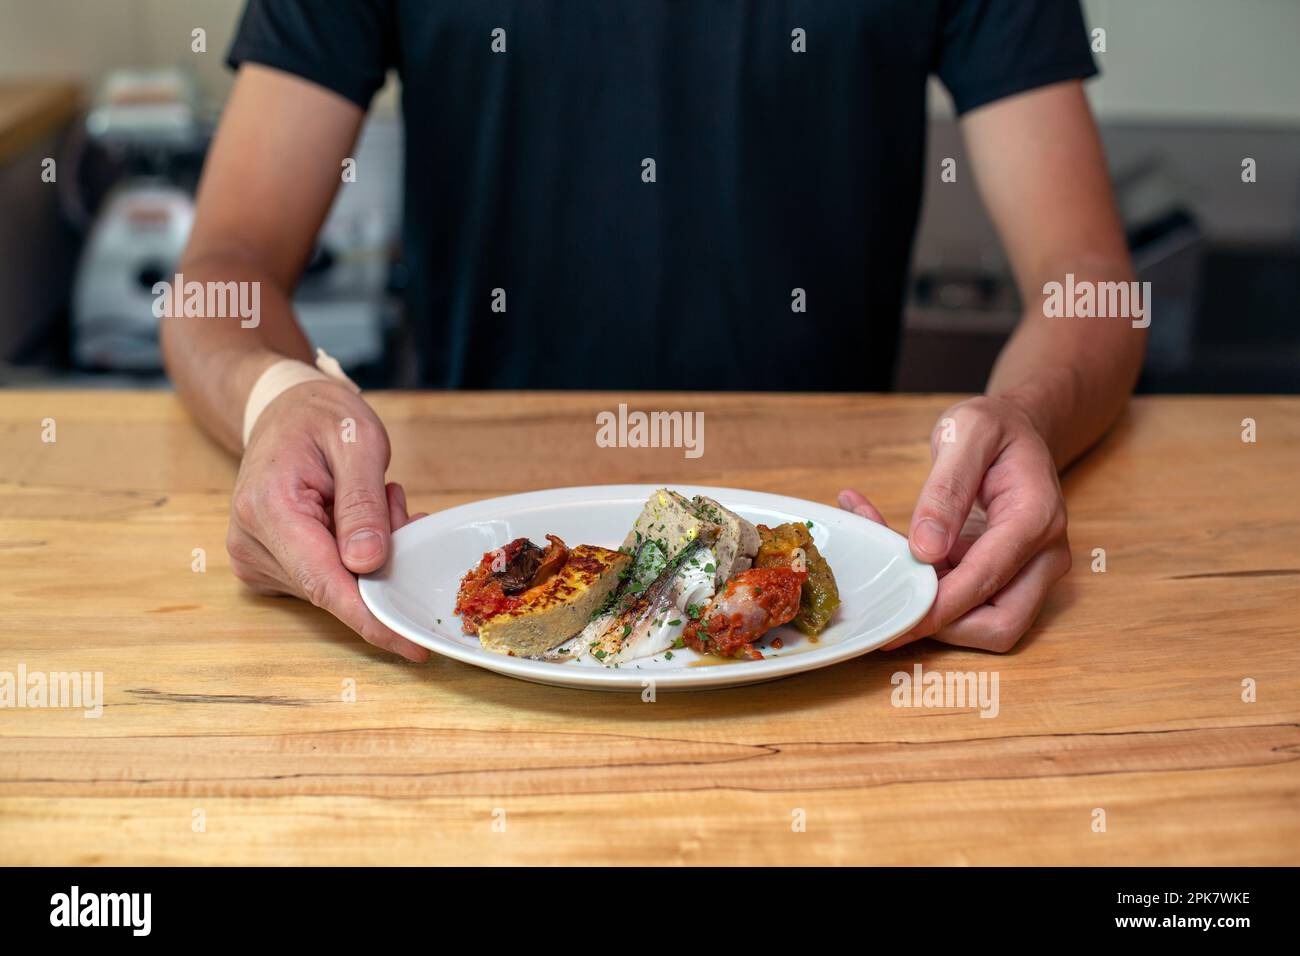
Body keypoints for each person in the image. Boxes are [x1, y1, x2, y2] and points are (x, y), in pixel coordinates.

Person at [161, 1, 1146, 662]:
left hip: (846, 602)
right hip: (447, 590)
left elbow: (1090, 283)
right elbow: (221, 275)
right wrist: (275, 400)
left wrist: (1024, 418)